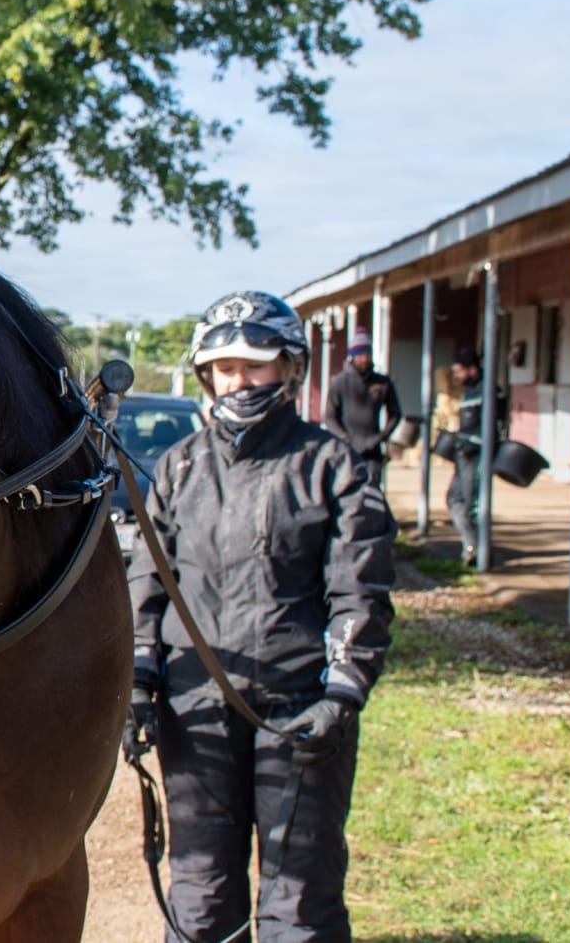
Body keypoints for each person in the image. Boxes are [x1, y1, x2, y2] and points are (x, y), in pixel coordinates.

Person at [125, 289, 395, 943]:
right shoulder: (179, 467)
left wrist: (342, 691)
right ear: (206, 375)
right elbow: (147, 583)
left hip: (301, 710)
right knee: (201, 895)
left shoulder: (334, 467)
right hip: (196, 715)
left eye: (254, 365)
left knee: (299, 901)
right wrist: (136, 682)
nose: (238, 381)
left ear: (288, 367)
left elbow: (360, 591)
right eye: (225, 368)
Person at [323, 327, 402, 484]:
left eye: (367, 354)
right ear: (352, 357)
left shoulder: (382, 383)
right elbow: (330, 417)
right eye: (359, 355)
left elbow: (396, 413)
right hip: (346, 450)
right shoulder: (340, 382)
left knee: (371, 491)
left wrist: (380, 437)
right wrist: (346, 439)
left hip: (372, 450)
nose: (364, 359)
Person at [445, 346, 494, 562]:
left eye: (459, 371)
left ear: (472, 369)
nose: (456, 376)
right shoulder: (469, 391)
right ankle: (471, 544)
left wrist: (472, 444)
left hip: (475, 456)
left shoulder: (488, 390)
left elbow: (491, 426)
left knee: (470, 505)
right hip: (463, 455)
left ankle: (478, 550)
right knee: (453, 498)